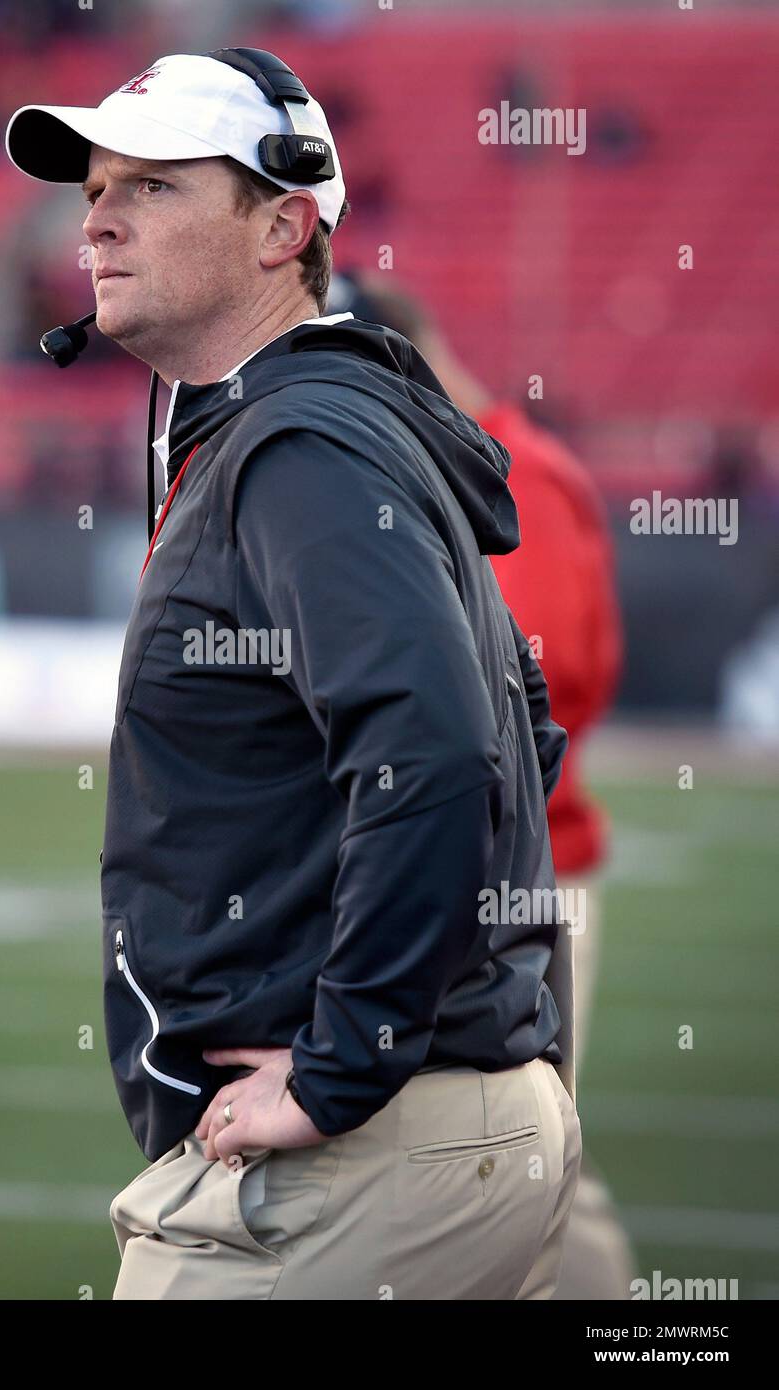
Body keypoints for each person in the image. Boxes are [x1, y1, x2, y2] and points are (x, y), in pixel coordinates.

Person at [6, 47, 581, 1300]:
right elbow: (520, 738)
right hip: (435, 1136)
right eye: (96, 186)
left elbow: (435, 750)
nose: (96, 215)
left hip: (359, 1166)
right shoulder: (315, 425)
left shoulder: (302, 444)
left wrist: (345, 1062)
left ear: (284, 226)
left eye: (153, 187)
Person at [327, 270, 634, 1299]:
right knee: (532, 1172)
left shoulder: (515, 476)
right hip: (473, 868)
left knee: (512, 1174)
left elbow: (543, 688)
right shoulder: (446, 467)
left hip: (516, 878)